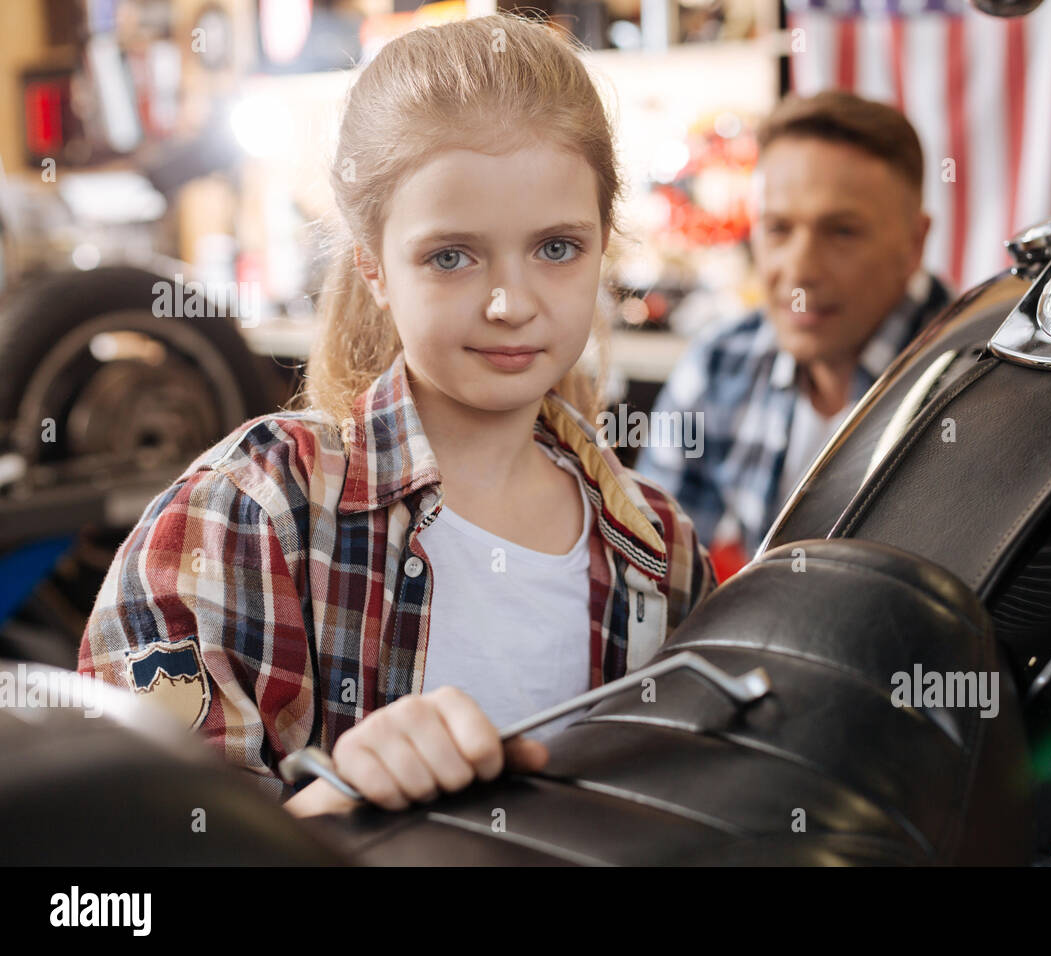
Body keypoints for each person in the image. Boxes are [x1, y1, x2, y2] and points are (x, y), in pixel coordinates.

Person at [77, 14, 716, 817]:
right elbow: (115, 854)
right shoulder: (247, 512)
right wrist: (334, 804)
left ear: (602, 248)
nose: (510, 304)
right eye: (451, 256)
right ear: (374, 269)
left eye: (556, 248)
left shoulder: (662, 553)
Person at [637, 91, 952, 567]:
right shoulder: (720, 364)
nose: (799, 269)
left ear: (914, 244)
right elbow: (657, 570)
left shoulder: (975, 388)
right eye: (779, 229)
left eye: (842, 231)